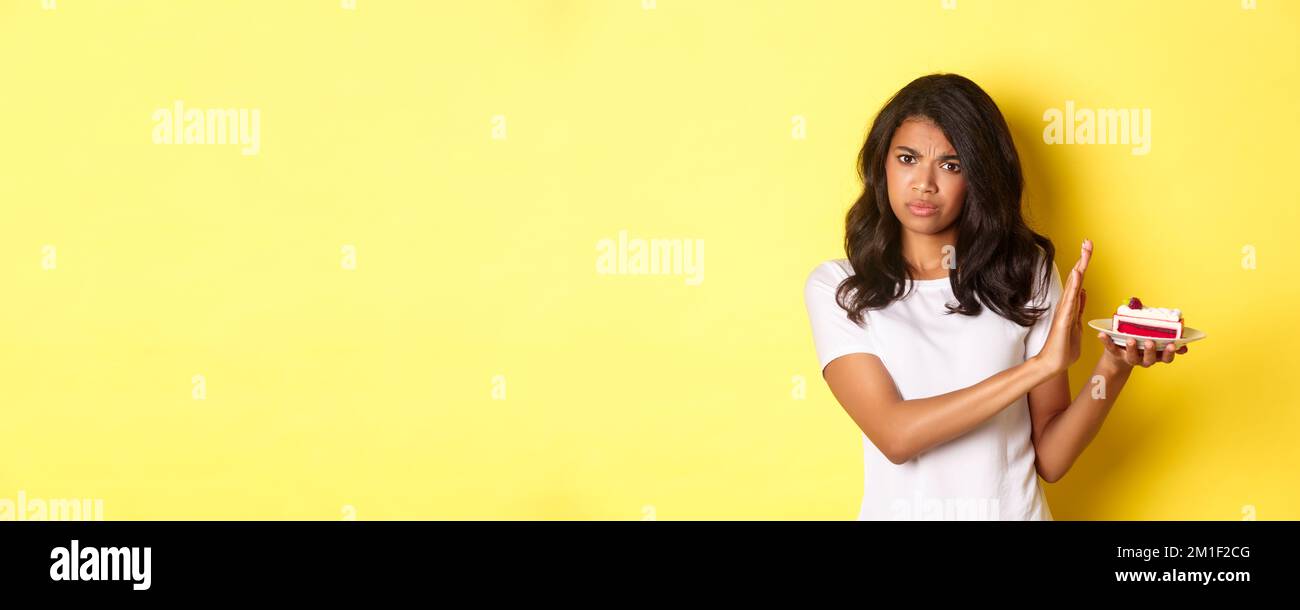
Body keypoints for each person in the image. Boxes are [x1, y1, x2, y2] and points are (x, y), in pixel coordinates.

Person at [803, 73, 1187, 520]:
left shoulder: (1025, 274)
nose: (925, 183)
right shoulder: (839, 288)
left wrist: (1113, 367)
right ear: (881, 165)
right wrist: (1039, 367)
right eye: (907, 158)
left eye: (951, 165)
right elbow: (896, 436)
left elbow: (1051, 458)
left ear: (980, 176)